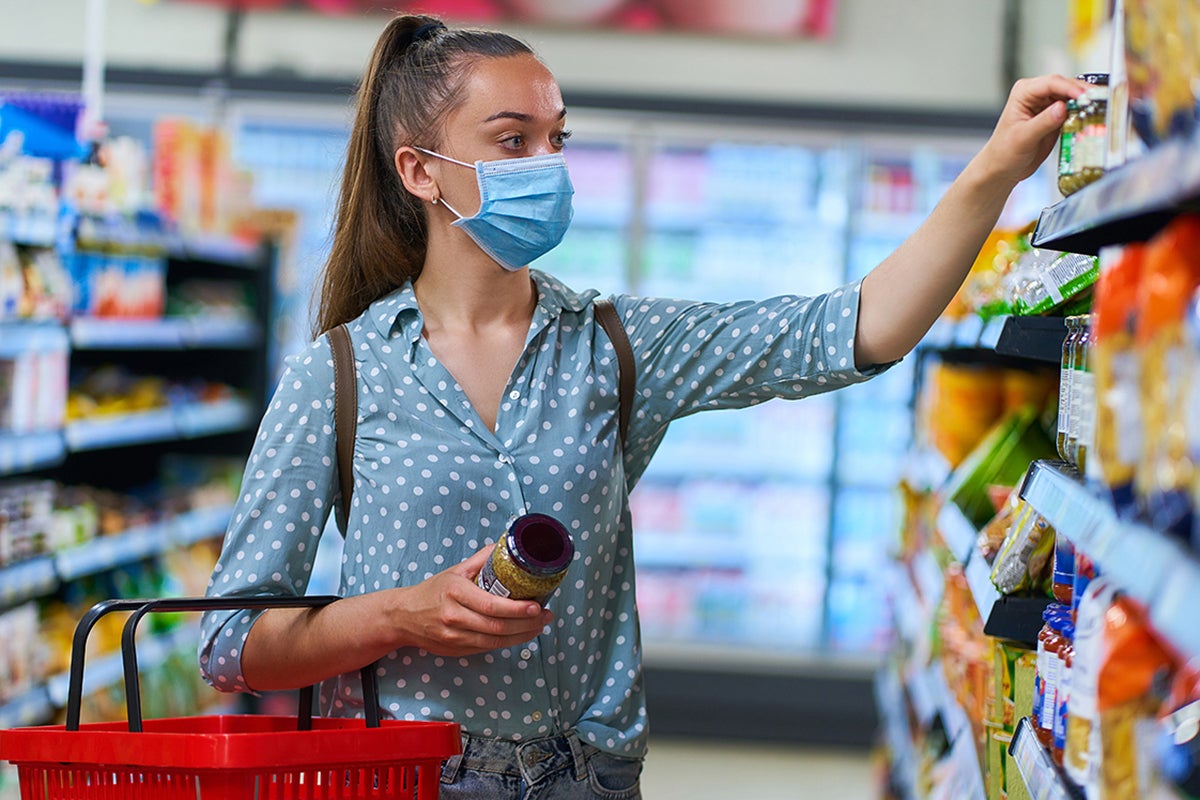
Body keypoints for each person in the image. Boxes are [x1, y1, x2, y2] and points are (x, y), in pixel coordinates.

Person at [199, 12, 1088, 799]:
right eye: (513, 141)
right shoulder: (343, 373)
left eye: (557, 138)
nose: (548, 164)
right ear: (420, 172)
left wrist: (997, 168)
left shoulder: (615, 348)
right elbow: (231, 641)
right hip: (404, 772)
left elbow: (858, 330)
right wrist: (398, 614)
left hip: (587, 776)